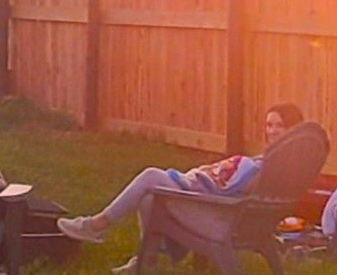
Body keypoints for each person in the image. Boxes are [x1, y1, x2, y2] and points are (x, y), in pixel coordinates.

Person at [56, 102, 306, 266]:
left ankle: (96, 224)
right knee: (149, 195)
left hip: (221, 218)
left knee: (151, 177)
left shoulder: (271, 169)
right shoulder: (280, 165)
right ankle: (145, 260)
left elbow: (240, 189)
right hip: (223, 212)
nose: (272, 131)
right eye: (269, 124)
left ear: (293, 131)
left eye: (280, 126)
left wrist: (209, 181)